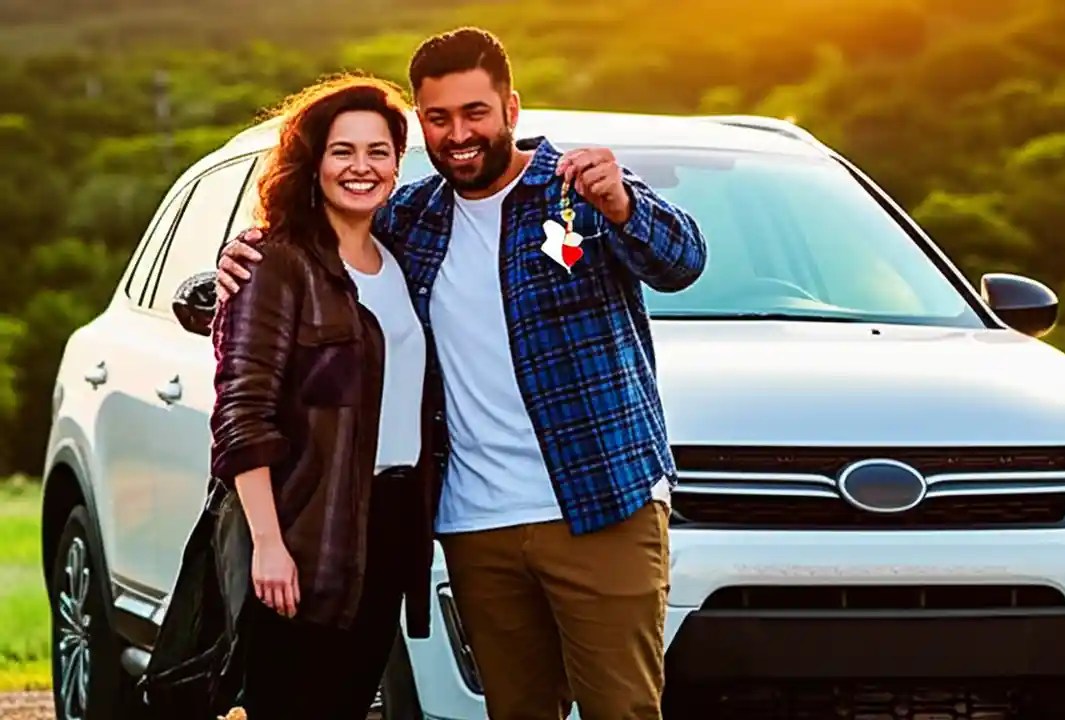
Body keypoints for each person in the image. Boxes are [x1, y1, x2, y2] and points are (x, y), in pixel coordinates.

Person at [216, 26, 707, 719]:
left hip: (600, 505)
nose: (458, 134)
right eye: (438, 118)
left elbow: (682, 261)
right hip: (476, 521)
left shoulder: (579, 191)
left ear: (511, 108)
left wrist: (625, 204)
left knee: (621, 709)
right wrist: (233, 261)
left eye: (475, 112)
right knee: (514, 710)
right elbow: (317, 258)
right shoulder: (411, 219)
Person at [208, 74, 438, 719]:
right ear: (313, 162)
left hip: (389, 519)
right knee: (293, 702)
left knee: (348, 699)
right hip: (307, 521)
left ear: (397, 162)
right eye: (343, 151)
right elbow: (241, 413)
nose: (361, 167)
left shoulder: (399, 262)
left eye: (378, 151)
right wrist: (269, 544)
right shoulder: (277, 263)